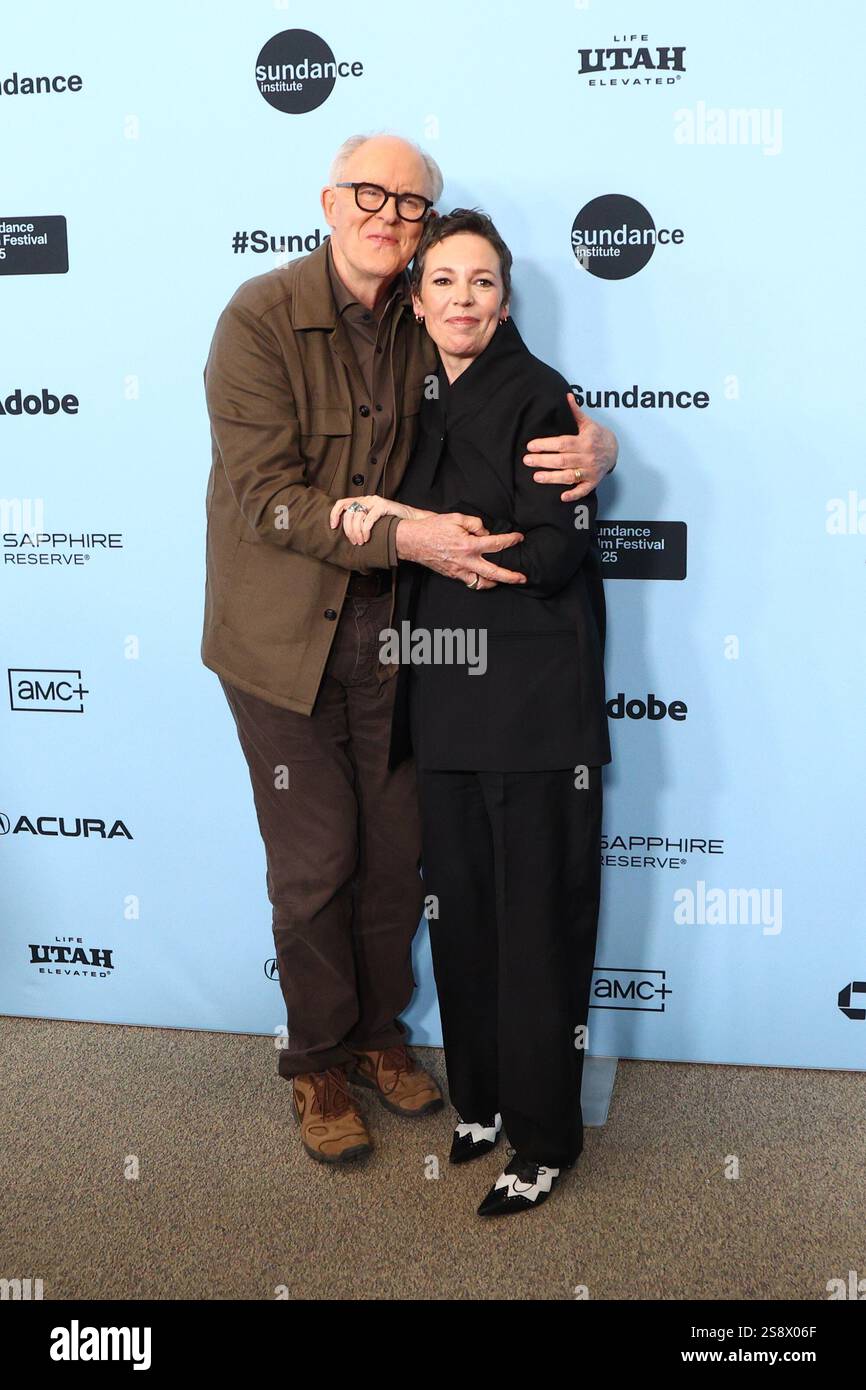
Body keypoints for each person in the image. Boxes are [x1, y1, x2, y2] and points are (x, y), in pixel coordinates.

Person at [202, 133, 618, 1167]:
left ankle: (380, 1034)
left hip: (400, 642)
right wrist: (411, 536)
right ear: (328, 202)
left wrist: (600, 445)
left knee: (396, 861)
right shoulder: (259, 317)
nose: (387, 216)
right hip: (283, 641)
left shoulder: (417, 315)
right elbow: (270, 499)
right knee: (317, 864)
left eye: (410, 204)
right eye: (368, 194)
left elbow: (511, 401)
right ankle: (316, 1060)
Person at [330, 209, 611, 1216]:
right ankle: (483, 1104)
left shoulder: (539, 395)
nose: (462, 298)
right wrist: (409, 528)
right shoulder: (410, 395)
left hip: (533, 712)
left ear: (503, 299)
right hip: (442, 696)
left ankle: (543, 1140)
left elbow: (558, 548)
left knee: (535, 930)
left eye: (481, 281)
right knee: (461, 923)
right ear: (416, 300)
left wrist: (450, 547)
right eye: (443, 280)